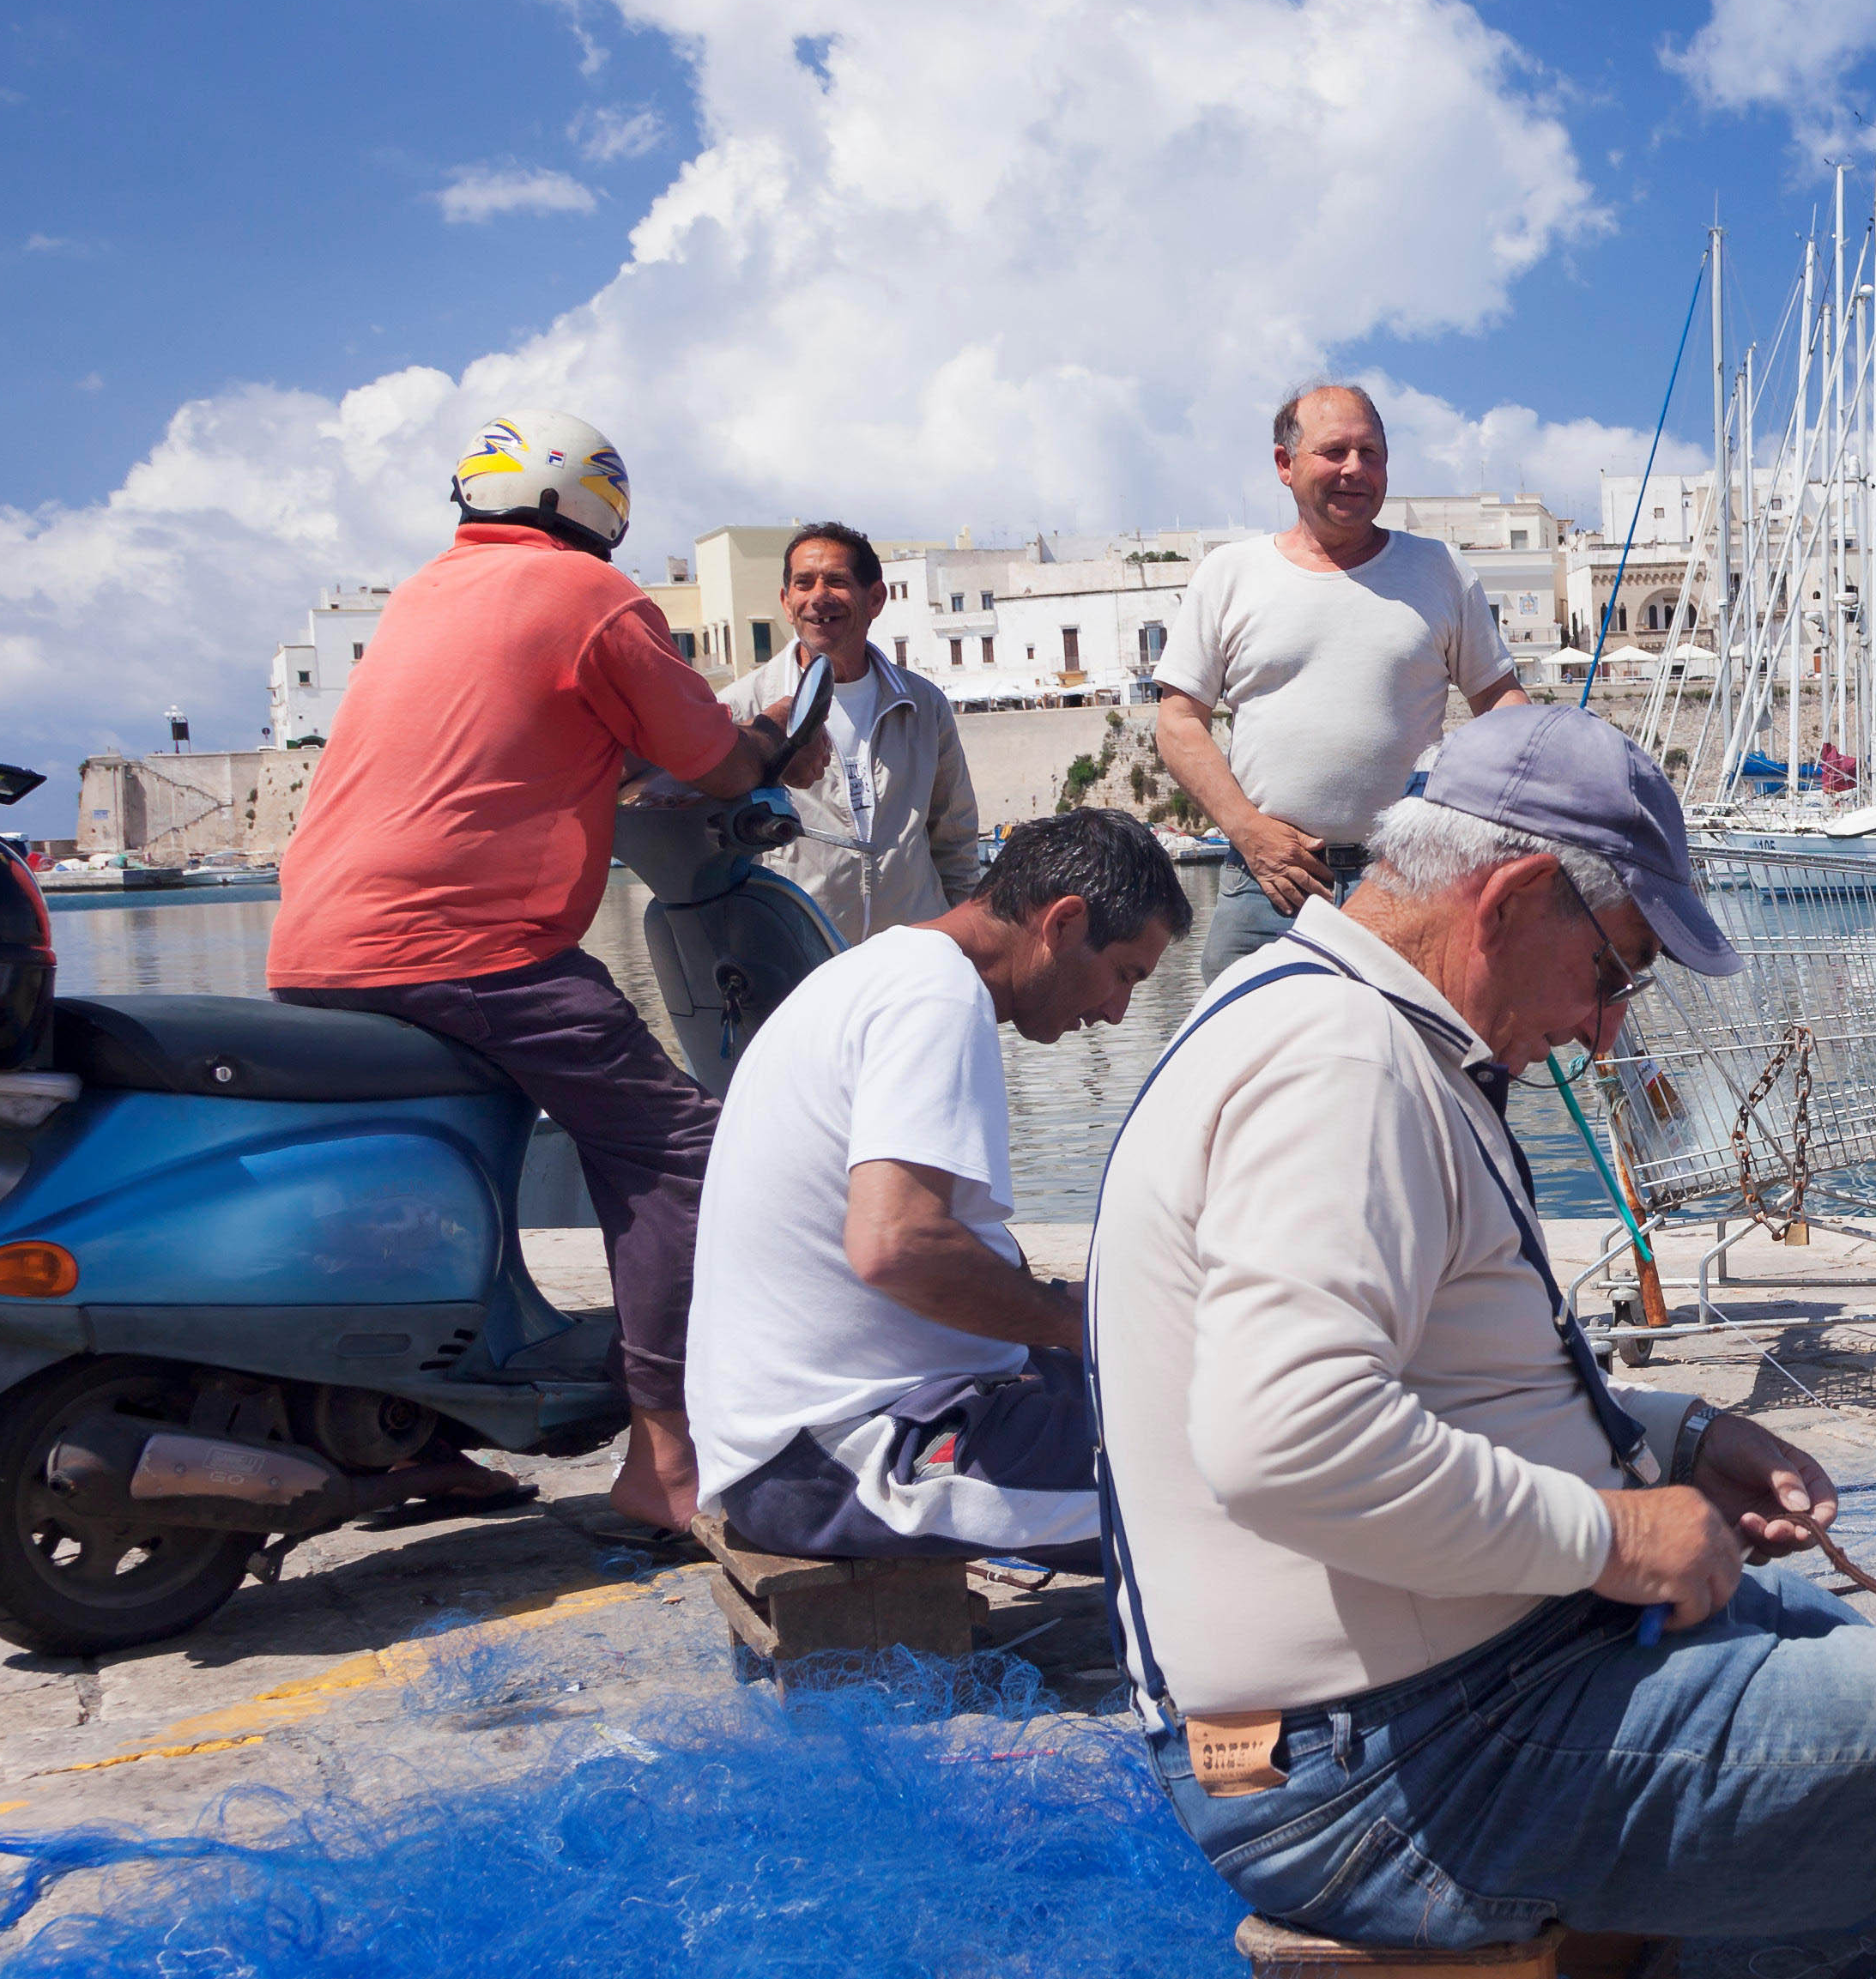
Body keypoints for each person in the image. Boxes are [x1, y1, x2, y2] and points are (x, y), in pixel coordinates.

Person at [1090, 706, 1876, 1979]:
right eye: (1614, 971)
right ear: (1517, 896)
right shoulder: (1338, 1067)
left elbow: (1450, 1377)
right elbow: (1287, 1446)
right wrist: (1614, 1535)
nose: (1606, 1030)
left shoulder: (1357, 1032)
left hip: (1455, 1698)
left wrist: (1677, 1438)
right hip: (1386, 1774)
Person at [266, 411, 823, 1536]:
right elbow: (711, 761)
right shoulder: (593, 601)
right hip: (468, 947)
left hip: (315, 942)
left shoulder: (423, 595)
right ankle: (666, 1463)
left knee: (439, 1171)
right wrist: (771, 743)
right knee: (677, 1151)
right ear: (594, 507)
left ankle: (414, 1438)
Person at [686, 811, 1187, 1565]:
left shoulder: (886, 970)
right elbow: (900, 1247)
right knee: (1242, 1490)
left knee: (1203, 1388)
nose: (1115, 1013)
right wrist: (1072, 1324)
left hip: (824, 1427)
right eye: (1124, 975)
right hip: (836, 1462)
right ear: (1064, 921)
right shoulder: (936, 998)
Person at [1153, 384, 1525, 964]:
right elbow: (1177, 721)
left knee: (1408, 1055)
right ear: (1285, 463)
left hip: (1409, 886)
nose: (1355, 468)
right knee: (1256, 1052)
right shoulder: (1228, 573)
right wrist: (1249, 833)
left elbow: (1501, 702)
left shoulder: (1441, 571)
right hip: (1269, 886)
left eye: (1370, 453)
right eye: (1334, 452)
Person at [721, 520, 982, 942]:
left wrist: (965, 945)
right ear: (786, 603)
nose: (818, 597)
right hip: (799, 963)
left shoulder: (923, 706)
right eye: (803, 584)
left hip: (912, 959)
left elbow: (955, 843)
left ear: (875, 598)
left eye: (837, 581)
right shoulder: (742, 710)